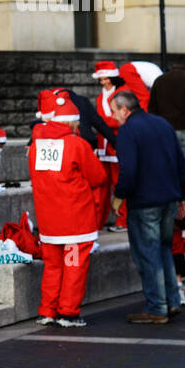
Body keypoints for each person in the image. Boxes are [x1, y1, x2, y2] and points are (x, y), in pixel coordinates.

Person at [109, 89, 185, 324]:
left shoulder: (127, 131)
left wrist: (118, 197)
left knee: (147, 254)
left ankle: (156, 307)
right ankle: (172, 300)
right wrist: (181, 195)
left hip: (145, 202)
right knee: (165, 250)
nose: (113, 117)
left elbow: (129, 170)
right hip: (168, 199)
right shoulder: (162, 124)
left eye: (114, 111)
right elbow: (180, 162)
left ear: (125, 109)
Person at [28, 92, 106, 329]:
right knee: (74, 267)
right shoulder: (77, 144)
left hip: (49, 220)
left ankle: (47, 310)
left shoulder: (35, 146)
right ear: (71, 121)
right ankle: (68, 313)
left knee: (53, 267)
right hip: (75, 220)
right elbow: (98, 177)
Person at [91, 61, 125, 230]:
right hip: (103, 143)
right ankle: (98, 220)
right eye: (101, 79)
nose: (103, 82)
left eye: (106, 79)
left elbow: (122, 119)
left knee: (119, 182)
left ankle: (122, 220)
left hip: (117, 142)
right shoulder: (99, 97)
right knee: (102, 183)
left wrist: (101, 122)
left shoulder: (121, 94)